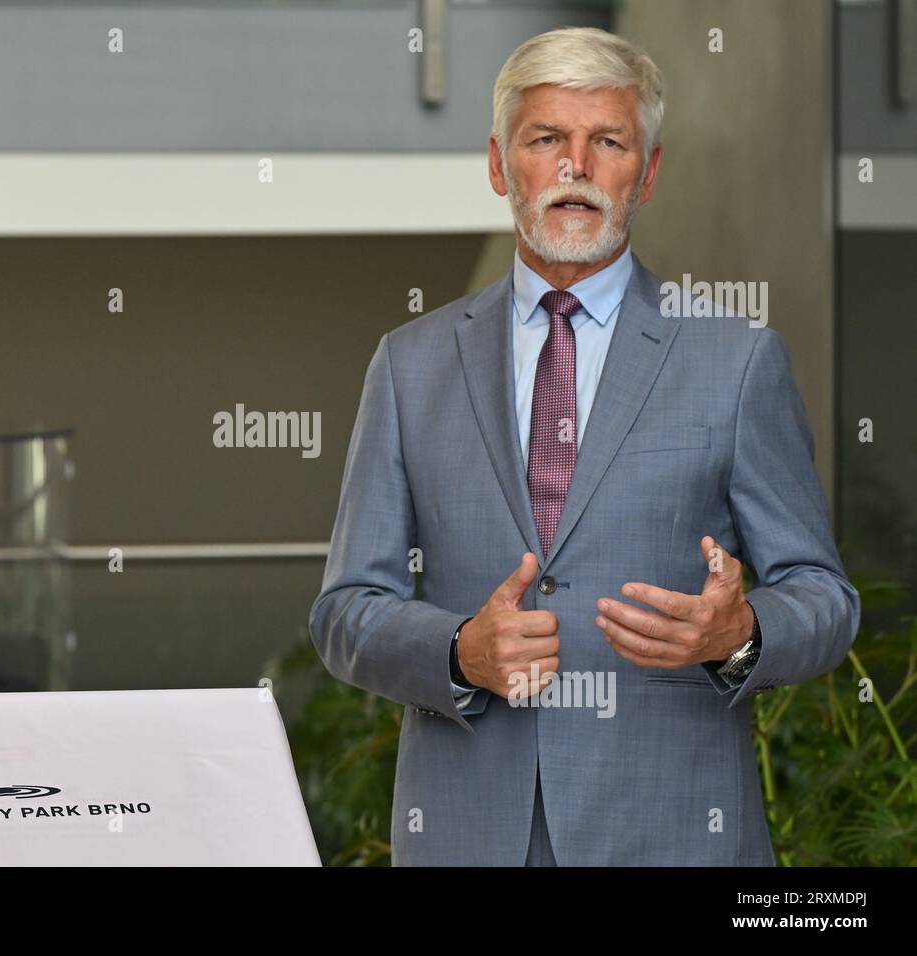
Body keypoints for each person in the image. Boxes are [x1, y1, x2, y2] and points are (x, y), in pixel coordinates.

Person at [308, 26, 858, 866]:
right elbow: (347, 610)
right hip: (469, 836)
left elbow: (823, 597)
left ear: (647, 171)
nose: (576, 167)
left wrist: (739, 633)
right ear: (500, 166)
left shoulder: (737, 360)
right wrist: (458, 651)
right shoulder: (409, 365)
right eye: (546, 140)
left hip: (673, 835)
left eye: (608, 141)